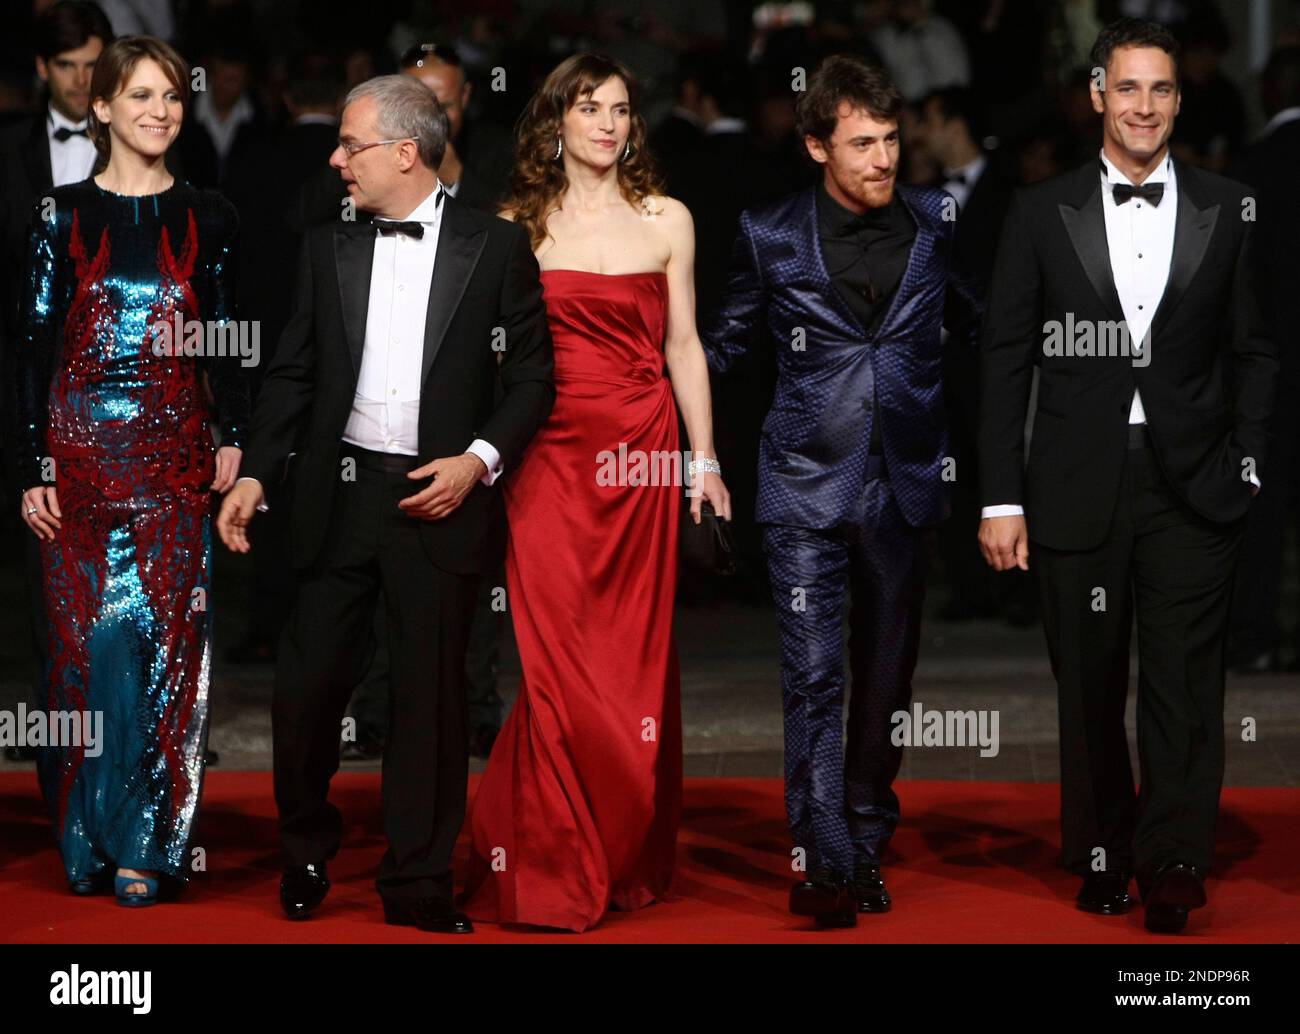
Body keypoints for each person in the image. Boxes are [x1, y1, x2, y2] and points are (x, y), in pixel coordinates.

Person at [216, 74, 554, 935]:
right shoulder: (325, 244)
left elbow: (533, 380)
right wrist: (257, 472)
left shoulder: (497, 248)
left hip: (440, 503)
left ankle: (418, 880)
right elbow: (292, 370)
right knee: (305, 694)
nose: (335, 159)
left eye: (350, 144)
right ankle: (304, 850)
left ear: (407, 153)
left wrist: (477, 463)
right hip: (340, 495)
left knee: (430, 707)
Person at [978, 18, 1277, 934]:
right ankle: (1105, 850)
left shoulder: (1231, 207)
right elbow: (1003, 361)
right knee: (1091, 682)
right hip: (1075, 482)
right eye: (1128, 88)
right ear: (1098, 95)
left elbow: (1258, 351)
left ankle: (1175, 858)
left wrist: (1248, 464)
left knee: (1184, 685)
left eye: (1161, 89)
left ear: (1178, 102)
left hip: (1194, 482)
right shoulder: (1038, 210)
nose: (1143, 106)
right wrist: (1000, 493)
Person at [704, 55, 980, 929]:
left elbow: (980, 327)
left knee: (887, 678)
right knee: (815, 673)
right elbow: (724, 346)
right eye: (863, 143)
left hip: (904, 483)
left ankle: (866, 826)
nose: (884, 158)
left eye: (892, 140)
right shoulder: (770, 231)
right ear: (818, 144)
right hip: (802, 483)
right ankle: (828, 855)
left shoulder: (937, 221)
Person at [458, 52, 730, 933]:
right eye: (589, 109)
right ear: (555, 122)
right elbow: (489, 357)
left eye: (620, 109)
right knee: (552, 661)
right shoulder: (514, 225)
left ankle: (617, 845)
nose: (608, 124)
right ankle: (548, 859)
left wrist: (706, 460)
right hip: (547, 458)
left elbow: (685, 347)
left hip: (644, 458)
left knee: (628, 662)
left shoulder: (669, 220)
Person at [14, 34, 247, 906]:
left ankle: (151, 841)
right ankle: (87, 839)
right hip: (76, 458)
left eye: (172, 97)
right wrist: (32, 465)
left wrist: (239, 437)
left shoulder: (210, 216)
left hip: (176, 457)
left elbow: (228, 340)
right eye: (140, 95)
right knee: (84, 652)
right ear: (101, 106)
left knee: (166, 647)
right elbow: (31, 351)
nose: (160, 111)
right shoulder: (60, 215)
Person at [0, 1, 113, 765]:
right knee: (33, 571)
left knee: (118, 575)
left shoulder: (153, 139)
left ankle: (134, 734)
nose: (80, 82)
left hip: (120, 393)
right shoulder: (5, 150)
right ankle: (51, 738)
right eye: (66, 65)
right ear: (42, 69)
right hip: (17, 385)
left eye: (91, 65)